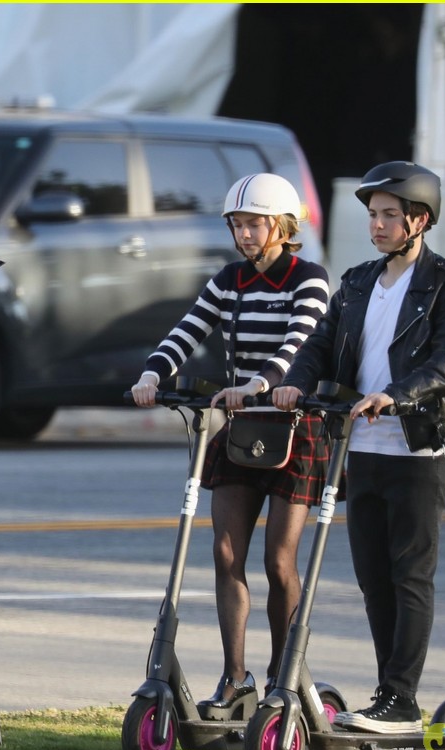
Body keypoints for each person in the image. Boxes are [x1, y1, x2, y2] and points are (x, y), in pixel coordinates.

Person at [273, 161, 445, 734]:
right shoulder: (360, 280)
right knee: (371, 576)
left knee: (408, 574)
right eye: (373, 215)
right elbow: (319, 344)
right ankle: (389, 695)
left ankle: (402, 698)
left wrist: (396, 395)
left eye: (390, 215)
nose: (378, 224)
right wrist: (295, 379)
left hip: (418, 449)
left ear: (420, 220)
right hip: (360, 446)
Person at [130, 173, 330, 710]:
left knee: (278, 563)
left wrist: (261, 384)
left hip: (291, 424)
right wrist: (154, 374)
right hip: (240, 425)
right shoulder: (230, 279)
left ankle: (283, 680)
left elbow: (300, 341)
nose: (244, 234)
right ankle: (235, 678)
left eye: (254, 224)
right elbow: (189, 328)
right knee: (224, 552)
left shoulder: (309, 278)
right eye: (237, 224)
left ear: (282, 227)